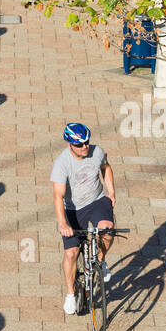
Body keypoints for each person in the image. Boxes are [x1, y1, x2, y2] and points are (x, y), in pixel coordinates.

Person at [51, 122, 116, 315]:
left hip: (96, 201)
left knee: (107, 230)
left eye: (87, 142)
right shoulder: (62, 163)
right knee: (71, 253)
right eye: (79, 145)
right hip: (73, 208)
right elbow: (58, 196)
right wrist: (63, 223)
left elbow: (106, 167)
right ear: (69, 144)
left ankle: (100, 261)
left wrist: (111, 193)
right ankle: (71, 294)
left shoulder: (97, 152)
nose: (85, 147)